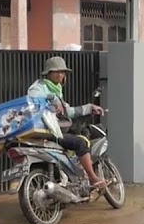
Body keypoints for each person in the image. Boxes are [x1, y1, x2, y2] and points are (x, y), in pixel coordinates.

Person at [27, 57, 106, 190]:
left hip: (53, 130)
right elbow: (32, 101)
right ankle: (93, 178)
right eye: (56, 72)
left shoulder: (56, 89)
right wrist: (51, 101)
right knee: (80, 143)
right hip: (47, 131)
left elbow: (67, 111)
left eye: (62, 72)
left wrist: (89, 107)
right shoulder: (39, 87)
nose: (60, 75)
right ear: (48, 73)